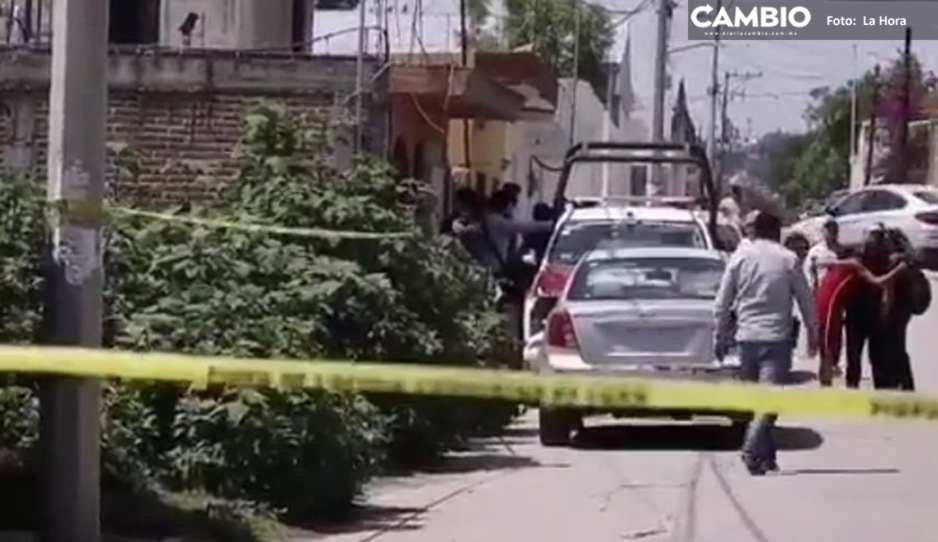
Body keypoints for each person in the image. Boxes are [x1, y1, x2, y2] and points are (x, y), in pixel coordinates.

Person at [714, 211, 818, 476]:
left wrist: (720, 334)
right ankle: (751, 450)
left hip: (746, 339)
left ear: (755, 231)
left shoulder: (740, 257)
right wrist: (813, 332)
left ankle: (766, 458)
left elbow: (722, 302)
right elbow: (805, 299)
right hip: (776, 340)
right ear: (776, 231)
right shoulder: (787, 259)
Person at [805, 218, 843, 292]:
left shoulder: (842, 250)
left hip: (837, 289)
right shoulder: (815, 251)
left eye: (834, 230)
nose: (831, 233)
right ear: (823, 231)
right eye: (828, 230)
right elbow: (810, 271)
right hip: (822, 289)